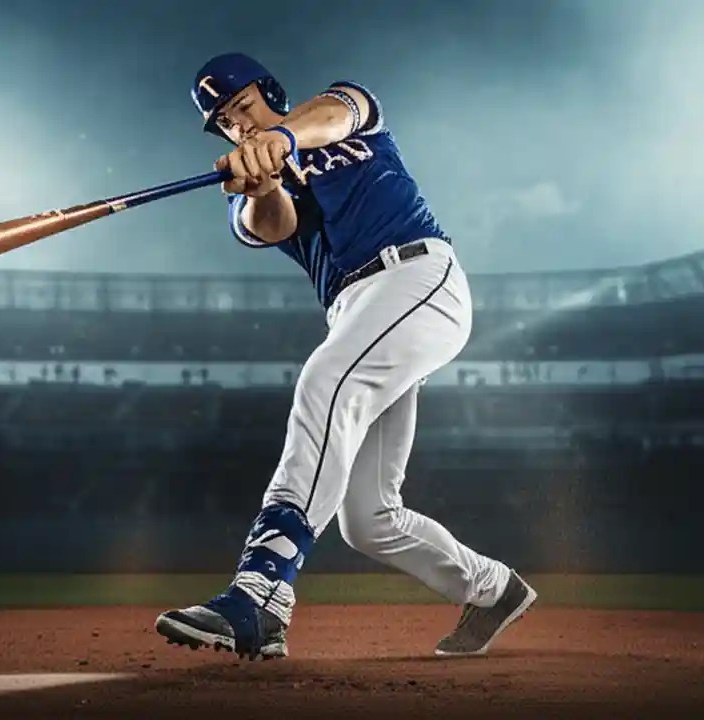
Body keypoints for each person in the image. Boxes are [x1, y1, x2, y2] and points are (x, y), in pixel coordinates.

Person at [154, 52, 536, 660]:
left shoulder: (339, 109)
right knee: (369, 518)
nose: (238, 123)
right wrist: (267, 181)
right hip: (358, 314)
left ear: (270, 91)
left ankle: (261, 594)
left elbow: (337, 114)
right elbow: (271, 225)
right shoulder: (246, 192)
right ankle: (493, 588)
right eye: (225, 120)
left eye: (243, 104)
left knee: (325, 382)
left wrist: (281, 139)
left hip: (416, 276)